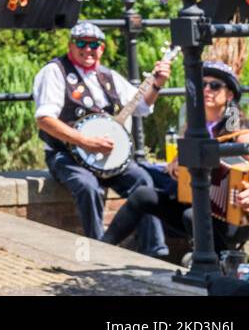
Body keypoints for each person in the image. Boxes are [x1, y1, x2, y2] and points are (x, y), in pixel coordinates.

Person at [103, 59, 249, 254]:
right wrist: (174, 166)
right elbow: (180, 163)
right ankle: (101, 249)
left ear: (229, 94)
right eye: (202, 84)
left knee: (192, 215)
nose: (207, 89)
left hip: (236, 217)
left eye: (214, 86)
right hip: (197, 207)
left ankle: (218, 267)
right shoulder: (193, 129)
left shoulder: (241, 134)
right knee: (142, 195)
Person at [33, 22, 170, 255]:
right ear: (70, 45)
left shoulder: (108, 76)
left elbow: (142, 107)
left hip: (107, 157)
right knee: (88, 187)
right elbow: (45, 119)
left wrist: (156, 84)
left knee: (143, 181)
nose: (88, 49)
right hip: (66, 155)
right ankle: (99, 249)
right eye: (81, 43)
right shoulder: (55, 72)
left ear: (102, 48)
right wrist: (84, 141)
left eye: (94, 44)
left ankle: (154, 248)